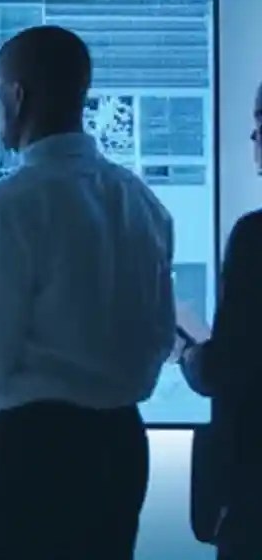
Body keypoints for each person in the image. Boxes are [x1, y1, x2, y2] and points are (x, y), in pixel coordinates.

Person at [0, 25, 175, 559]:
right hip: (121, 446)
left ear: (16, 95)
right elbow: (158, 337)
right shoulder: (141, 200)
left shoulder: (9, 204)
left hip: (31, 453)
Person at [178, 81, 262, 559]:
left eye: (259, 124)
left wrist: (190, 354)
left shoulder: (255, 237)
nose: (253, 140)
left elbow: (226, 367)